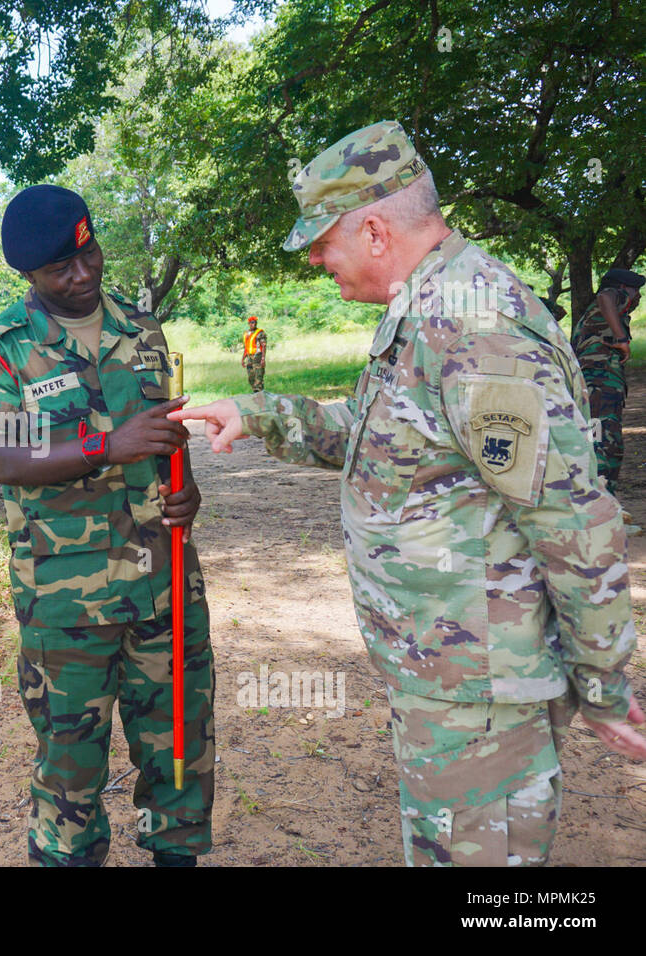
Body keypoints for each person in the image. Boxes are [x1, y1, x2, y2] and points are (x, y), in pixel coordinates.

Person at [173, 121, 645, 866]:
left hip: (483, 689)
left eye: (322, 243)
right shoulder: (423, 307)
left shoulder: (473, 322)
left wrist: (602, 681)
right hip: (447, 677)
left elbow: (570, 515)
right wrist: (257, 412)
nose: (318, 261)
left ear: (372, 230)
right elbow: (379, 434)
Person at [0, 184, 215, 866]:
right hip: (68, 600)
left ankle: (177, 852)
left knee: (180, 745)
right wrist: (108, 446)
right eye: (59, 270)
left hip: (165, 585)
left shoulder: (141, 330)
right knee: (70, 763)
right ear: (30, 277)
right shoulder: (2, 351)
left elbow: (165, 425)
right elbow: (2, 458)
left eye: (88, 255)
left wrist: (184, 486)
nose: (81, 276)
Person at [570, 268, 643, 497]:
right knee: (605, 445)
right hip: (600, 384)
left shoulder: (591, 315)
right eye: (636, 291)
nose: (639, 297)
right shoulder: (614, 296)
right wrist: (621, 338)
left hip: (591, 385)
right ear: (623, 288)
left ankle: (594, 499)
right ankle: (602, 502)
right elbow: (605, 296)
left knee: (595, 439)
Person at [242, 315, 267, 392]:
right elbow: (246, 347)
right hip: (249, 357)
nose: (252, 324)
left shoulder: (260, 333)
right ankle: (255, 392)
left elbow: (264, 346)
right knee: (251, 377)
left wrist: (263, 358)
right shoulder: (246, 333)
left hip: (257, 357)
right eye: (250, 323)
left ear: (256, 323)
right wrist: (243, 358)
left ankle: (259, 394)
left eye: (253, 322)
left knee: (258, 376)